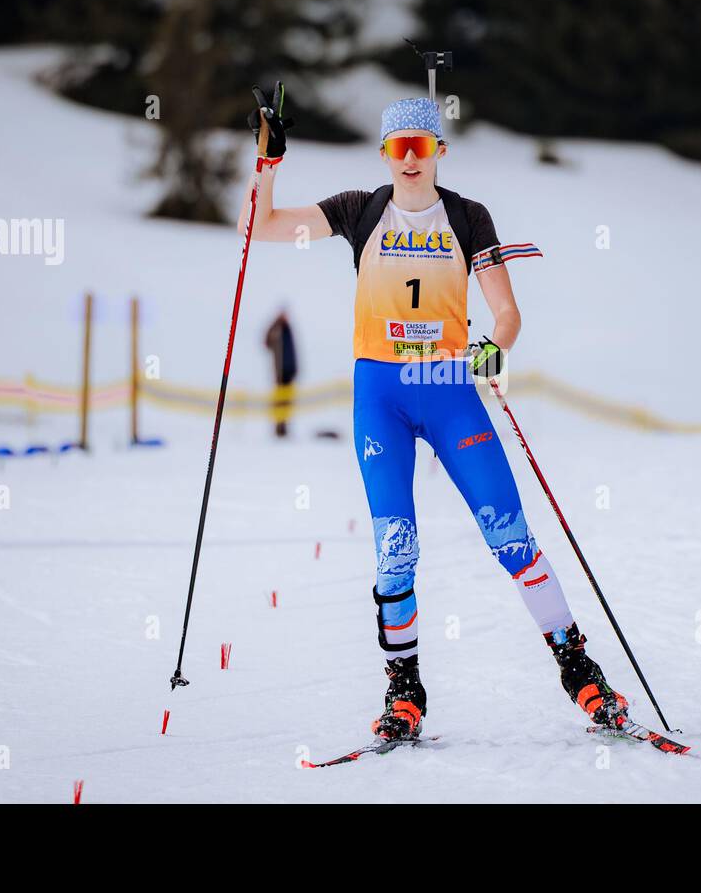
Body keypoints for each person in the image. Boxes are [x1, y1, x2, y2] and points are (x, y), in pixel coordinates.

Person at [239, 83, 628, 740]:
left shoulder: (468, 217)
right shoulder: (360, 210)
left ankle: (581, 672)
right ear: (385, 153)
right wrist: (268, 164)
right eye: (398, 148)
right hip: (381, 397)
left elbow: (508, 314)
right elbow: (262, 227)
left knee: (511, 538)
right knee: (396, 549)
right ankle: (405, 691)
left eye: (421, 146)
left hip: (450, 391)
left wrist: (491, 350)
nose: (410, 159)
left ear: (439, 150)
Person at [263, 308, 298, 437]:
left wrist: (295, 368)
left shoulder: (288, 329)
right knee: (279, 401)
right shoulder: (276, 328)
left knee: (287, 401)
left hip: (289, 371)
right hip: (280, 371)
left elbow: (293, 351)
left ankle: (284, 427)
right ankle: (279, 429)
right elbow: (266, 342)